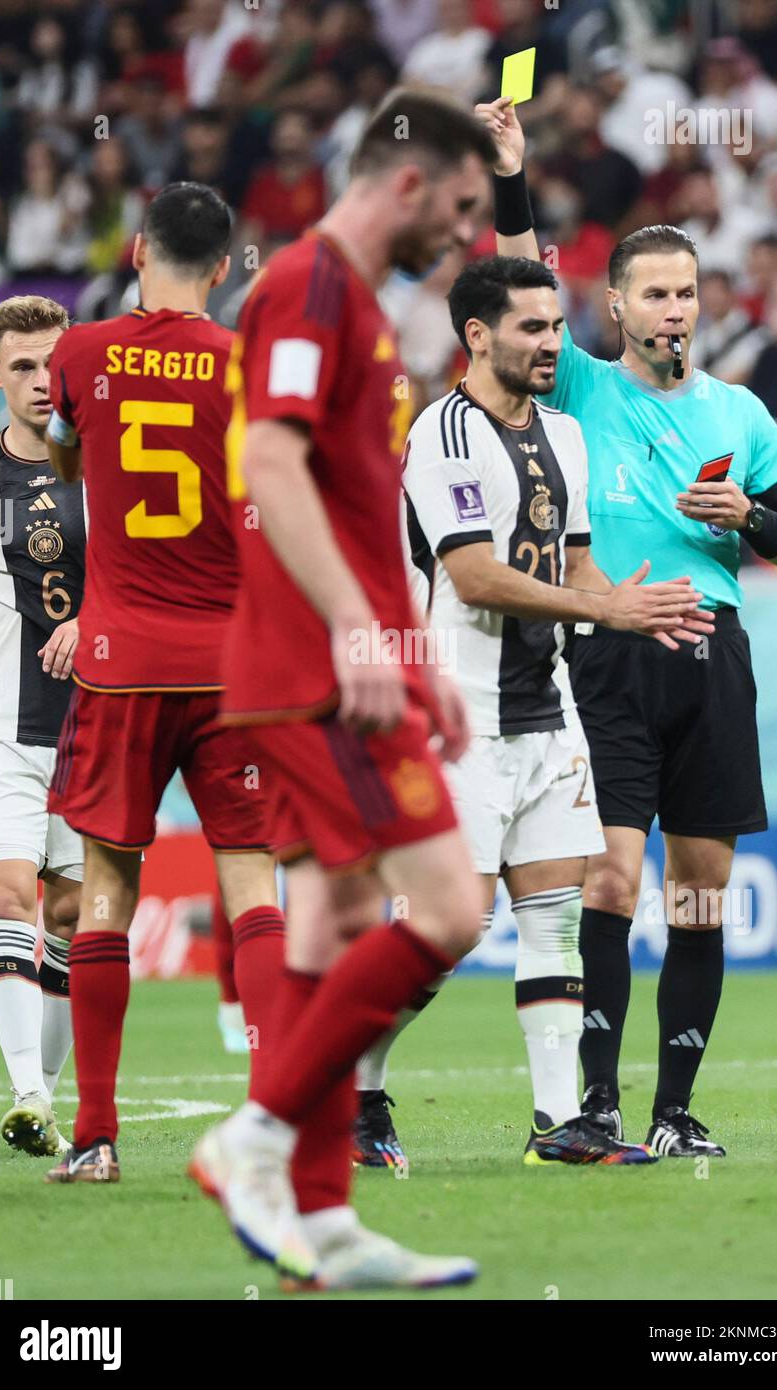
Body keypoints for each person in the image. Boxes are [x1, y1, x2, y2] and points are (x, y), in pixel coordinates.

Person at [189, 88, 495, 1292]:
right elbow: (268, 456)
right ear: (409, 180)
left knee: (328, 926)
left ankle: (321, 1223)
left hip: (342, 662)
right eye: (463, 207)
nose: (465, 235)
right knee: (450, 911)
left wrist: (415, 659)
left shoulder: (348, 301)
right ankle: (255, 1135)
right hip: (320, 671)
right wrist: (368, 639)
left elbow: (358, 508)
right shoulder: (311, 285)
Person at [479, 95, 777, 1157]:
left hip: (711, 656)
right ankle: (599, 1103)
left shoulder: (741, 411)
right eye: (653, 295)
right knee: (612, 878)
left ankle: (673, 1109)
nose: (673, 310)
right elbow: (518, 271)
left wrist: (748, 517)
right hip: (609, 655)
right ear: (614, 307)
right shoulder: (578, 384)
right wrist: (509, 172)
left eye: (685, 293)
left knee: (701, 891)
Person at [366, 252, 711, 1168]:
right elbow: (474, 576)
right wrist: (603, 610)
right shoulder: (442, 434)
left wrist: (638, 607)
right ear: (477, 336)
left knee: (555, 915)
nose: (552, 342)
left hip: (546, 709)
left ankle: (559, 1124)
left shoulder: (563, 434)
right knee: (447, 928)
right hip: (455, 709)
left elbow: (578, 565)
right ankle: (351, 1089)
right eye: (531, 327)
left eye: (557, 326)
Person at [42, 182, 283, 1183]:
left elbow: (64, 454)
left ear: (137, 248)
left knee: (106, 888)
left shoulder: (81, 352)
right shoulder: (247, 366)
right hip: (235, 665)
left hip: (122, 663)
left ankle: (94, 1137)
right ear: (225, 268)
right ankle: (275, 1127)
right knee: (253, 891)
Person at [0, 294, 84, 1158]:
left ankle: (45, 1094)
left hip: (98, 729)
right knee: (5, 894)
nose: (43, 382)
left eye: (54, 363)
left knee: (81, 917)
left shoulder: (117, 474)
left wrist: (101, 614)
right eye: (23, 368)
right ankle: (32, 1096)